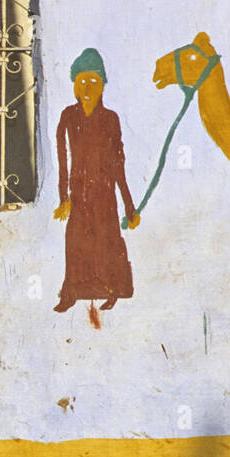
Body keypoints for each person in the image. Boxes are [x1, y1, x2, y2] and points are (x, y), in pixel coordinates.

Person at [53, 47, 141, 328]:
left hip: (104, 192)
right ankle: (71, 293)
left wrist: (129, 205)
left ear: (102, 84)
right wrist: (63, 198)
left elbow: (118, 164)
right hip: (79, 192)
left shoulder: (110, 119)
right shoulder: (68, 117)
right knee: (76, 240)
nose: (87, 86)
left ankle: (113, 289)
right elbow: (62, 160)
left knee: (106, 239)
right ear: (74, 85)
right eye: (81, 81)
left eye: (93, 80)